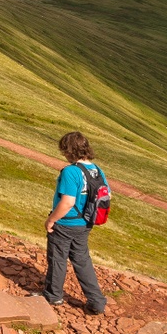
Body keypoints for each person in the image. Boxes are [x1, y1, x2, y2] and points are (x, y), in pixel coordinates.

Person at [37, 131, 109, 315]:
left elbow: (68, 202)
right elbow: (106, 194)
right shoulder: (97, 170)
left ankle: (53, 296)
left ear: (69, 150)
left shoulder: (71, 171)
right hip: (85, 224)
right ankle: (97, 301)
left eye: (64, 150)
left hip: (65, 223)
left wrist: (51, 220)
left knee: (58, 258)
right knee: (82, 260)